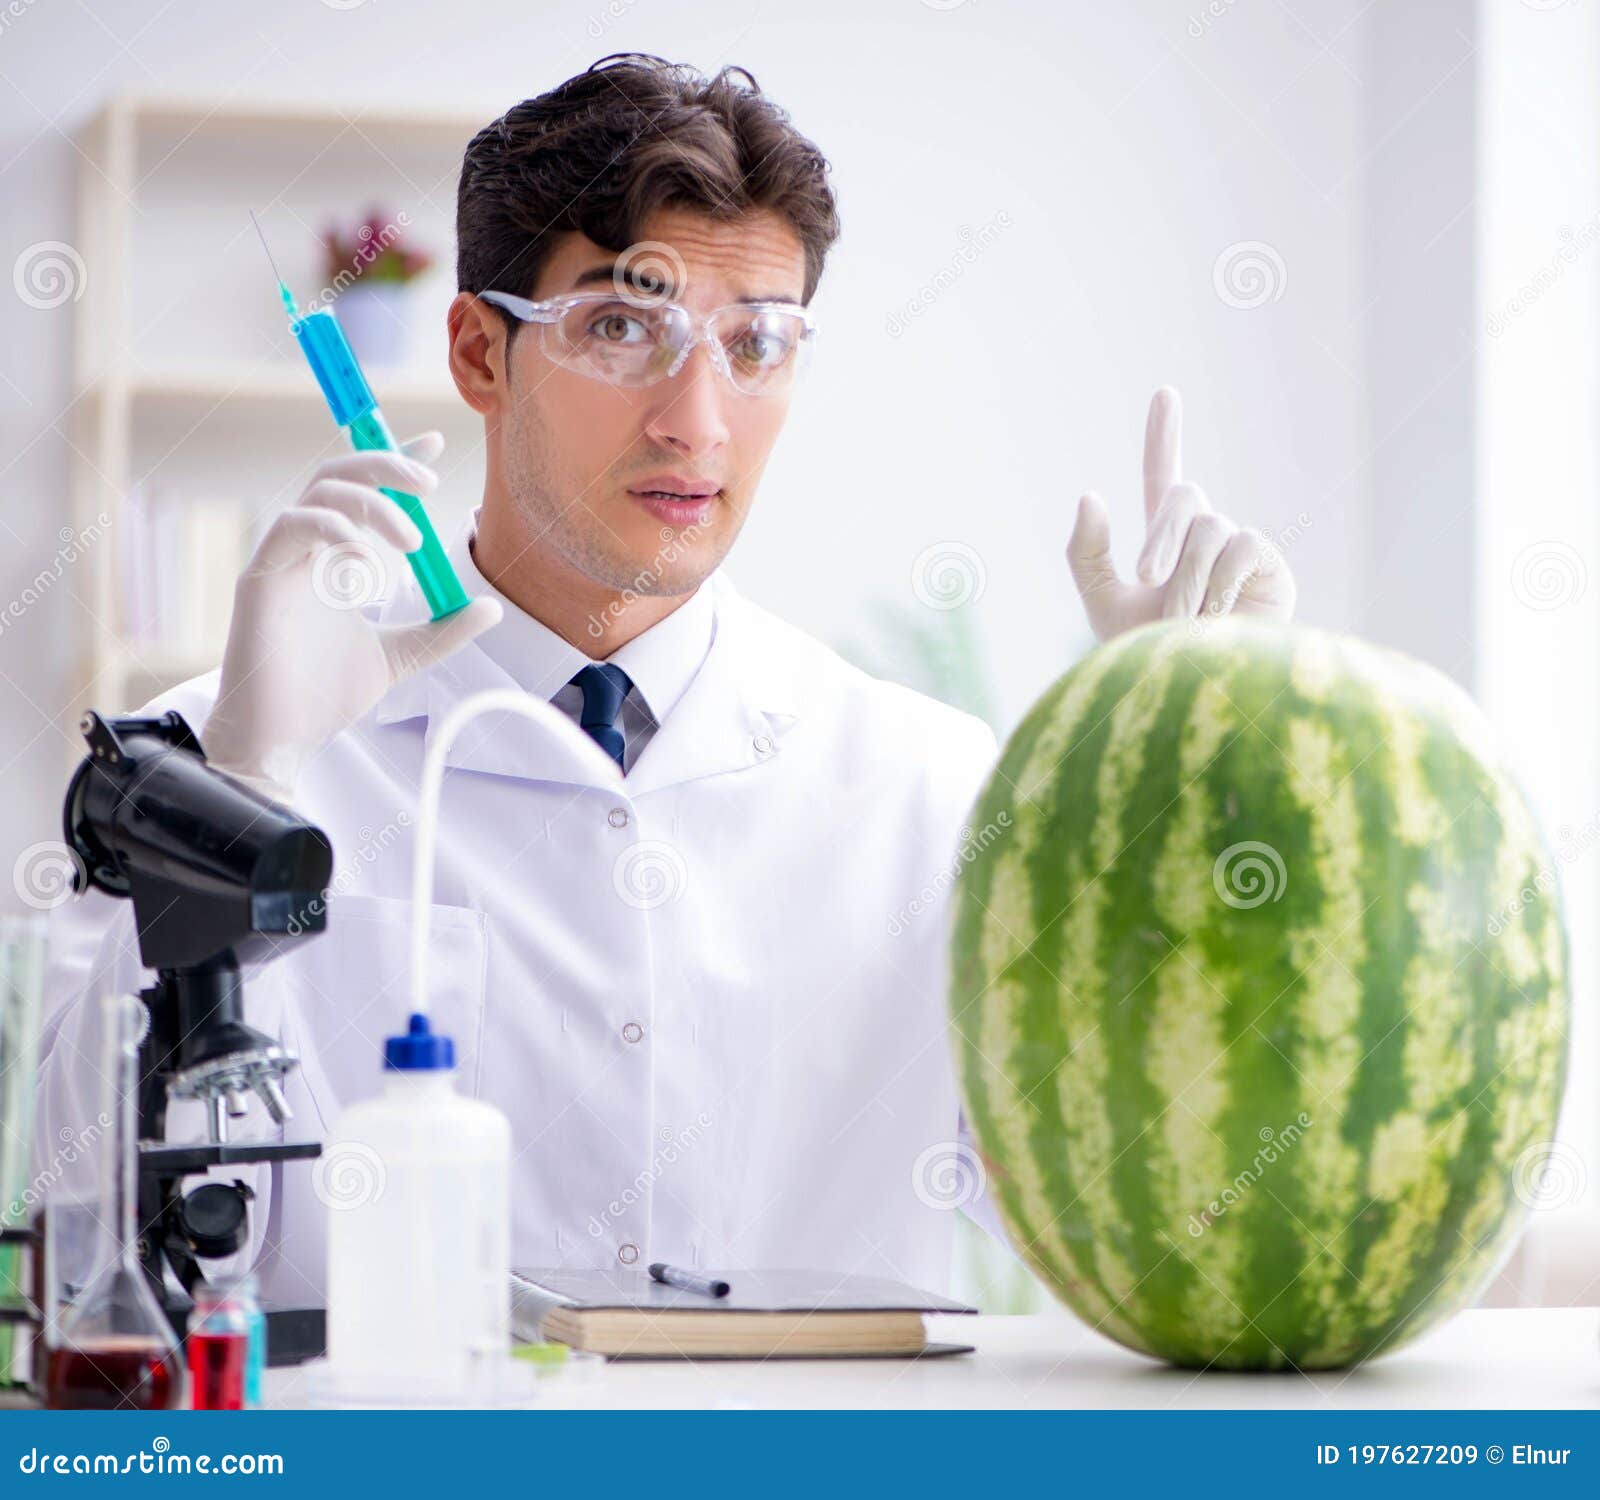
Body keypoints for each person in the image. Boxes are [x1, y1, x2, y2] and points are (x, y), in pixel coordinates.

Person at [35, 54, 1295, 1310]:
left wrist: (1181, 788)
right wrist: (240, 806)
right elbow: (79, 1231)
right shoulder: (212, 762)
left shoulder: (936, 792)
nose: (696, 419)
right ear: (480, 353)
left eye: (756, 343)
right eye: (624, 328)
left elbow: (1160, 1228)